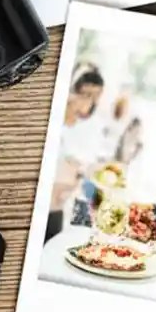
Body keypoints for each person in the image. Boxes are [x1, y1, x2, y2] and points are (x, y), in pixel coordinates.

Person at [48, 63, 106, 242]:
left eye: (96, 97)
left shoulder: (88, 127)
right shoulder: (56, 120)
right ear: (73, 92)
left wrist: (97, 203)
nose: (91, 102)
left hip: (62, 203)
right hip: (50, 200)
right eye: (87, 95)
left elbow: (88, 170)